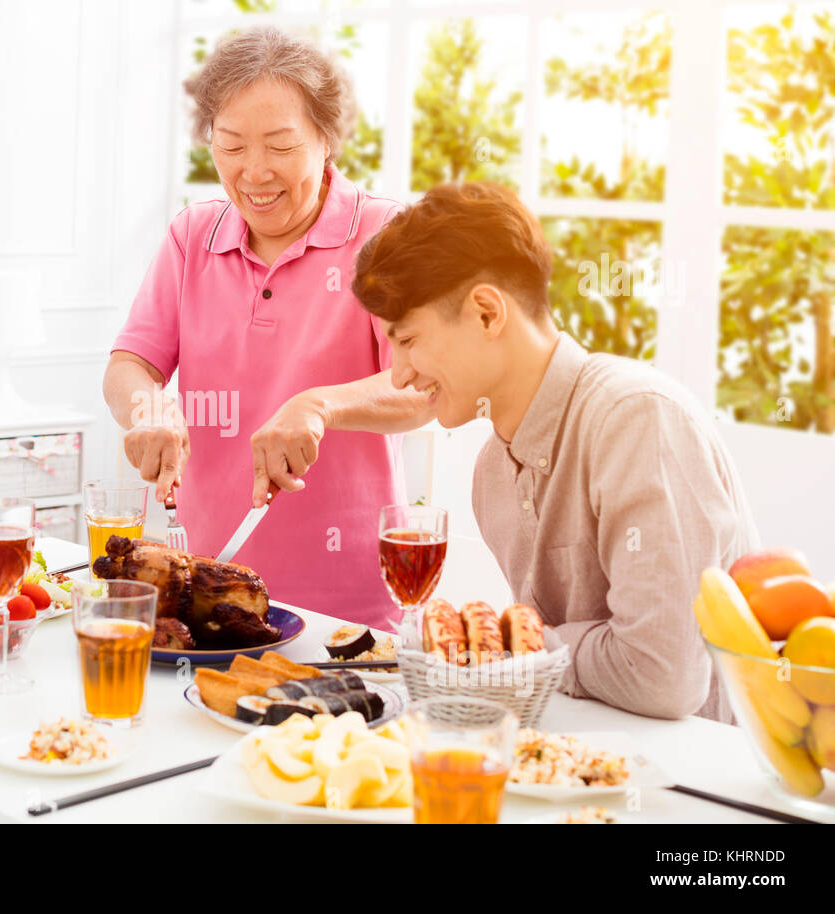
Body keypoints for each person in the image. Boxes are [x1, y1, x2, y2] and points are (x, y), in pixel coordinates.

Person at [349, 181, 760, 721]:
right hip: (583, 773)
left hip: (697, 791)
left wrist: (514, 645)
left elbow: (662, 676)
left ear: (487, 314)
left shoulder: (637, 418)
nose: (398, 375)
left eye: (407, 340)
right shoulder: (491, 473)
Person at [104, 27, 433, 625]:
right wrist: (146, 409)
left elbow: (421, 389)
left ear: (327, 140)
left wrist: (317, 406)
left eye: (281, 146)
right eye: (229, 146)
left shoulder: (385, 234)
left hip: (349, 599)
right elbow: (131, 365)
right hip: (211, 587)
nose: (253, 173)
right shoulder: (192, 236)